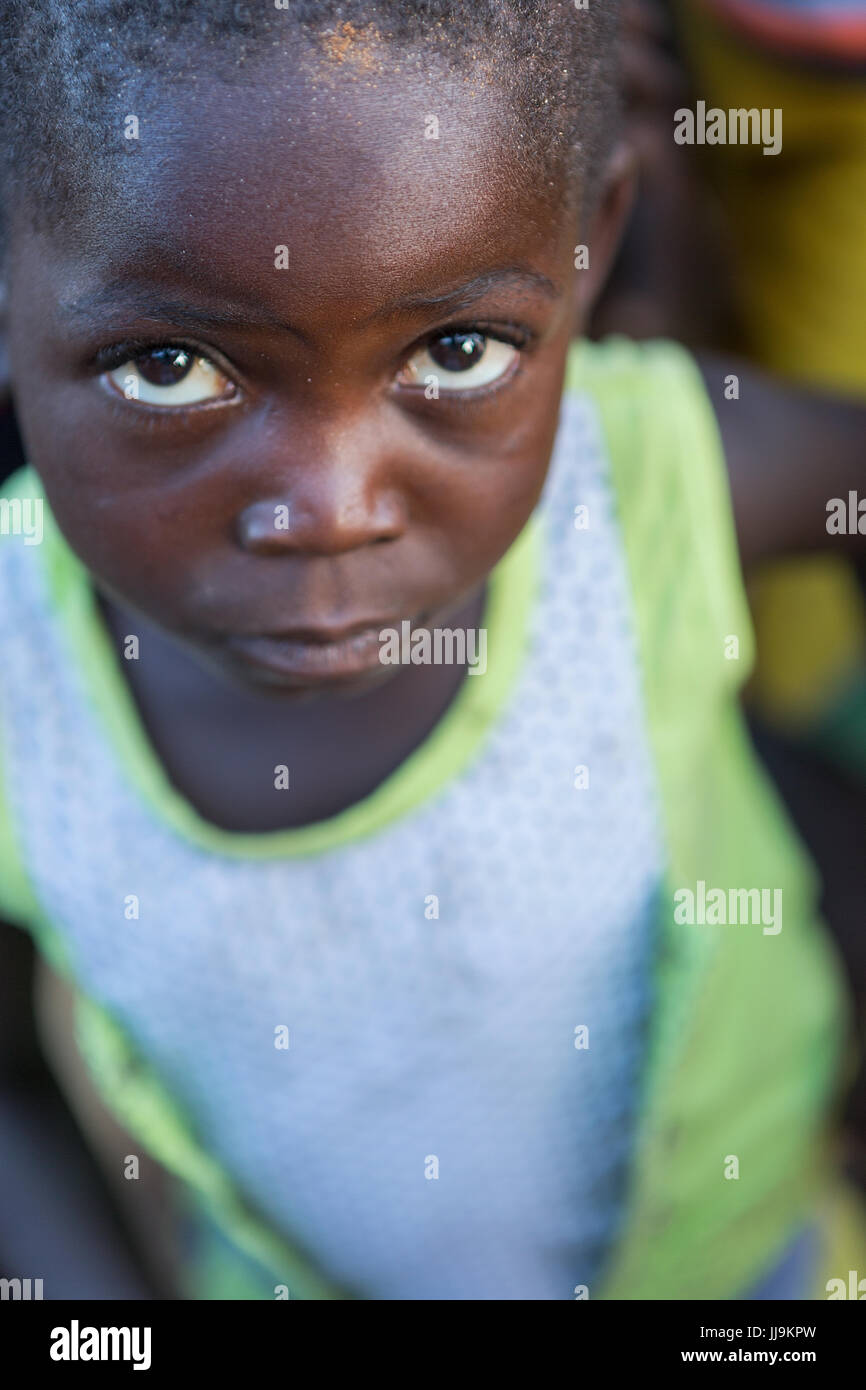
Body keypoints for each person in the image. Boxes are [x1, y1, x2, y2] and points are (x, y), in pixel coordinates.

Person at [0, 0, 865, 1301]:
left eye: (455, 352)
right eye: (168, 367)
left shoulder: (637, 485)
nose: (330, 506)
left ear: (591, 248)